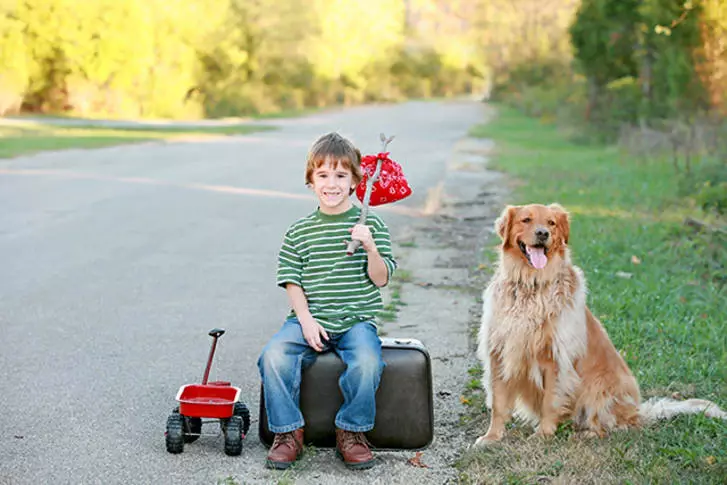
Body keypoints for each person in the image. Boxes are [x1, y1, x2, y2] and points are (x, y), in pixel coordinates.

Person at [258, 132, 397, 470]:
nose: (331, 184)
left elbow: (381, 278)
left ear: (354, 182)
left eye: (340, 176)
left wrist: (370, 247)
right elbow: (291, 279)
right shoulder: (299, 231)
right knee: (273, 356)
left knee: (367, 362)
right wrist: (305, 319)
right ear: (311, 181)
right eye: (323, 175)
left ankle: (351, 431)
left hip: (355, 320)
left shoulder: (371, 224)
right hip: (309, 318)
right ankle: (288, 432)